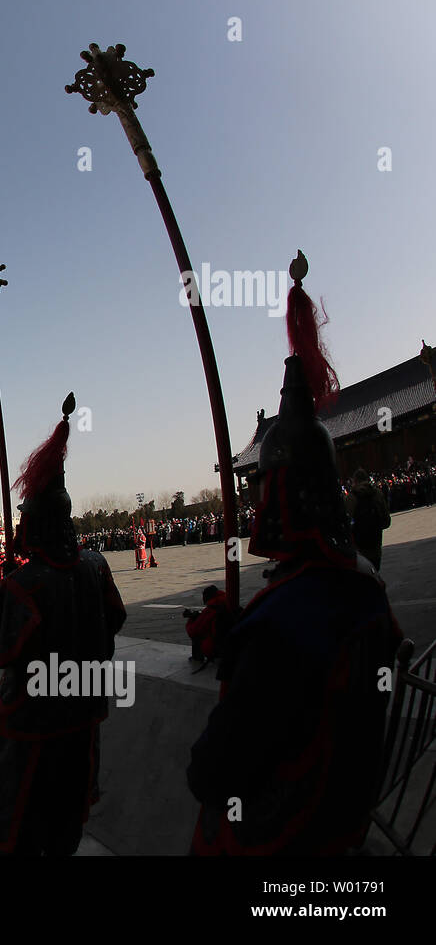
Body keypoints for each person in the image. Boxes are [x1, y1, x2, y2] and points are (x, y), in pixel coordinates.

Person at [187, 253, 402, 855]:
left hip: (289, 841)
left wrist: (246, 645)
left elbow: (211, 770)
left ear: (279, 494)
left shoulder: (284, 619)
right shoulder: (367, 587)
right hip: (350, 819)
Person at [0, 392, 126, 856]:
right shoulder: (97, 567)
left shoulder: (22, 586)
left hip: (32, 723)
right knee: (66, 824)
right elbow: (115, 620)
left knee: (22, 826)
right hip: (84, 714)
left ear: (35, 525)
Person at [345, 468, 390, 571]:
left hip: (359, 547)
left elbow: (345, 522)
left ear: (354, 481)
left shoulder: (351, 497)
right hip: (376, 543)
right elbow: (386, 521)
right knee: (375, 572)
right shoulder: (377, 494)